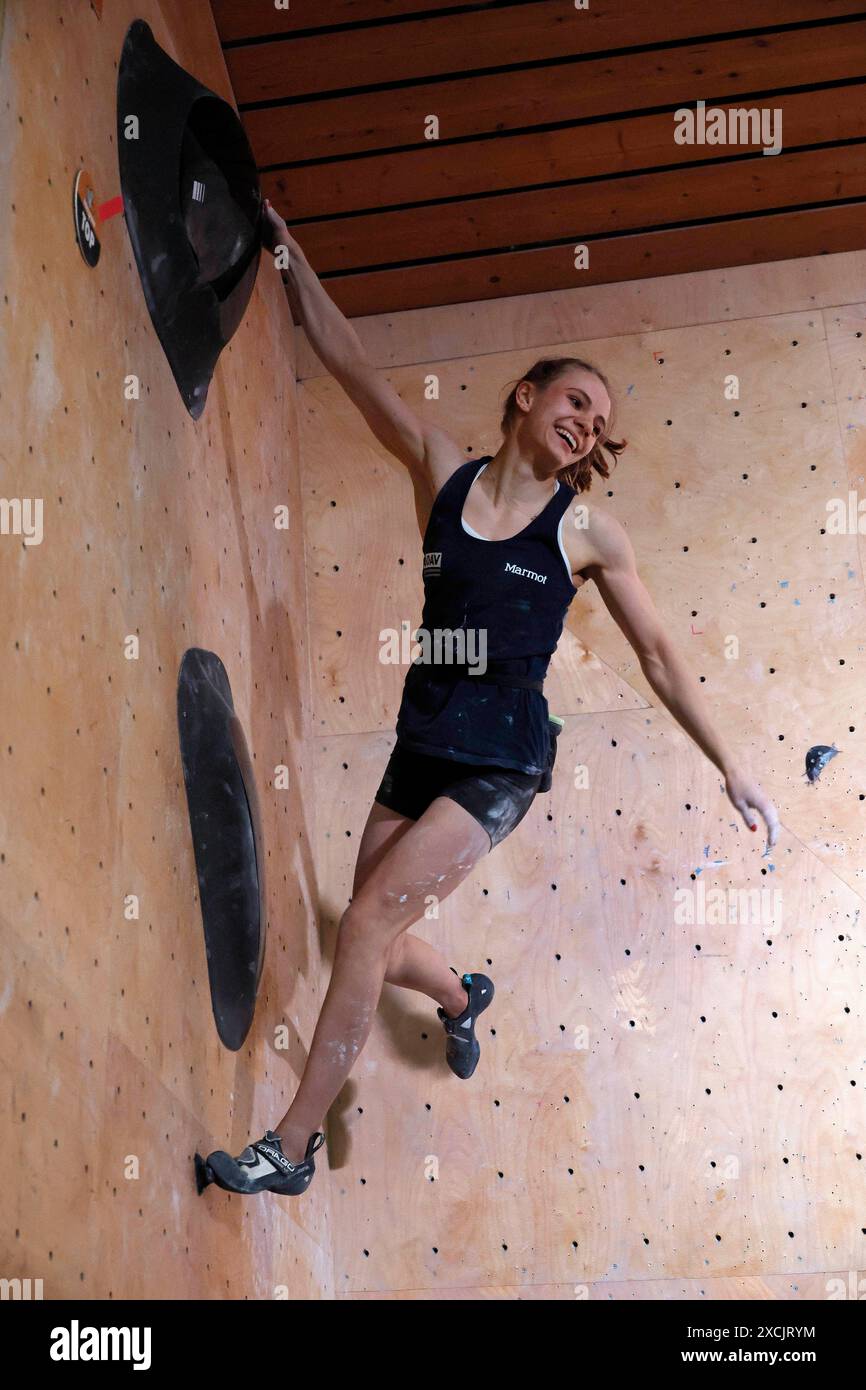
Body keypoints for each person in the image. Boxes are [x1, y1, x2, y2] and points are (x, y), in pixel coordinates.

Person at [197, 202, 780, 1199]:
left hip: (500, 759)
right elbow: (345, 364)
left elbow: (657, 654)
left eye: (599, 421)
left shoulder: (586, 531)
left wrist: (727, 759)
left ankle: (290, 1146)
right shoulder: (437, 469)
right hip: (420, 738)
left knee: (371, 915)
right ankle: (463, 993)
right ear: (524, 395)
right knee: (363, 939)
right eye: (574, 400)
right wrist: (285, 254)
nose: (587, 422)